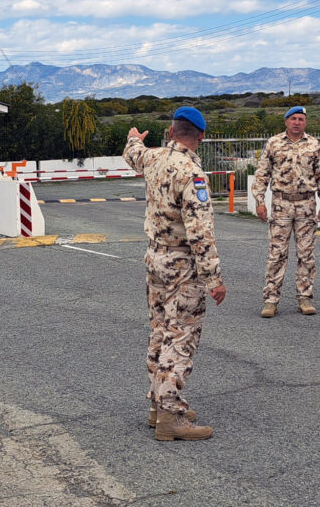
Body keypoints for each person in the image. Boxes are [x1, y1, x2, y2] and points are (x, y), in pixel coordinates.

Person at [123, 106, 227, 440]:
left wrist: (133, 138)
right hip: (182, 264)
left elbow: (132, 153)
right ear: (201, 136)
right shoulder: (192, 173)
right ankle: (171, 415)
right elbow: (200, 231)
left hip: (155, 258)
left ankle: (156, 403)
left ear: (170, 132)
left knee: (160, 329)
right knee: (181, 335)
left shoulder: (153, 158)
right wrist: (213, 278)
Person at [253, 106, 320, 318]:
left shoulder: (314, 145)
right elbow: (262, 173)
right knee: (277, 254)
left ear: (305, 122)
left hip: (307, 204)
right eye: (293, 119)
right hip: (281, 204)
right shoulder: (274, 143)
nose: (297, 122)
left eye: (301, 119)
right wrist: (259, 201)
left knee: (306, 254)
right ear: (286, 121)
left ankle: (304, 298)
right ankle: (271, 300)